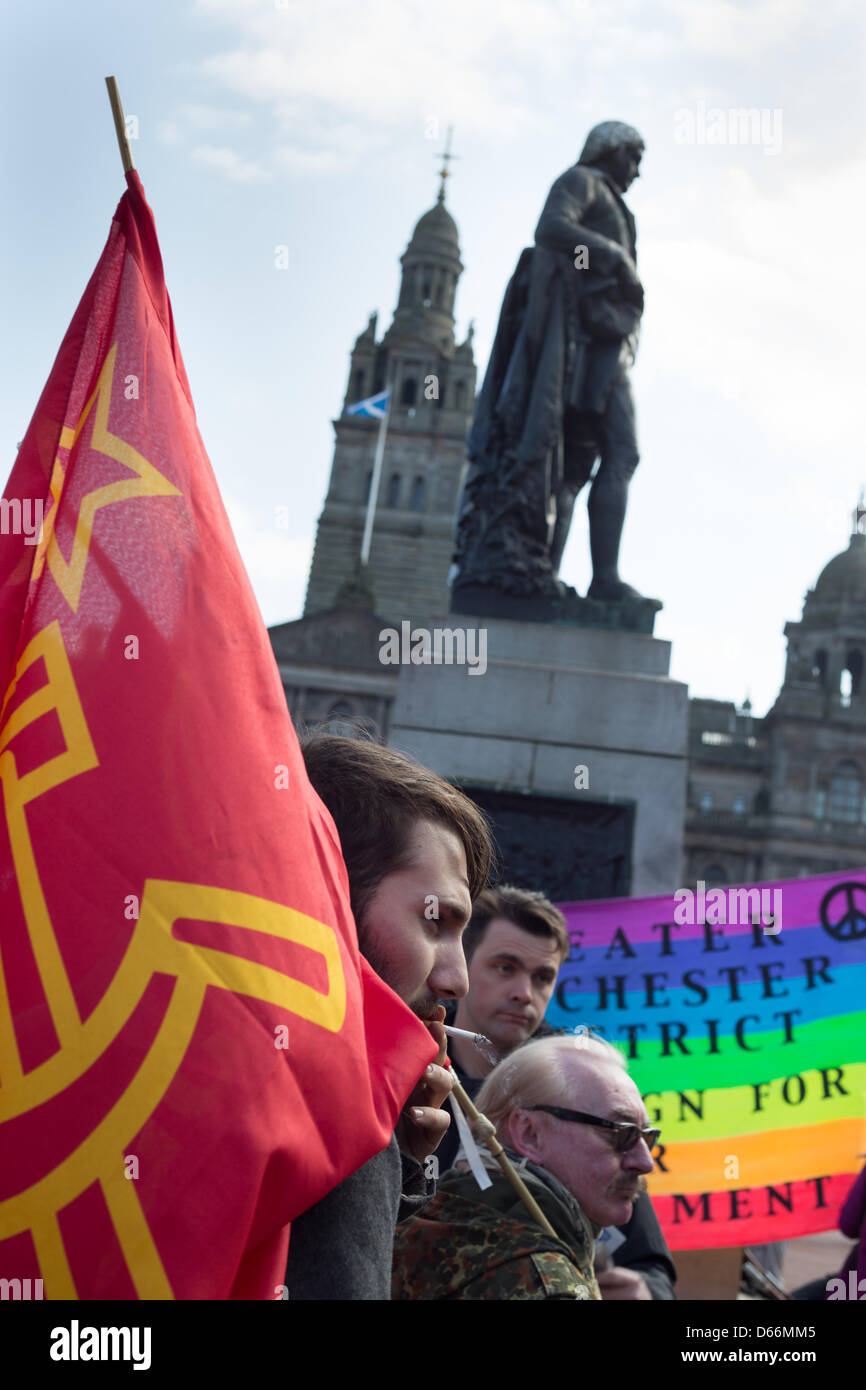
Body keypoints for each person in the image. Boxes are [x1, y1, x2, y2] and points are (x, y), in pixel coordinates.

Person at [284, 733, 493, 1299]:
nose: (458, 980)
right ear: (333, 896)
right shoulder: (337, 1101)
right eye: (435, 922)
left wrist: (400, 1163)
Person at [437, 884, 676, 1299]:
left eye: (543, 977)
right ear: (463, 963)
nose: (524, 993)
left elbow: (649, 1262)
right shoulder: (411, 1073)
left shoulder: (583, 1091)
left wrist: (645, 1292)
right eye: (505, 968)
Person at [451, 120, 647, 616]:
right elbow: (552, 231)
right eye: (634, 157)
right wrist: (613, 256)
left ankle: (570, 576)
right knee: (615, 455)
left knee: (576, 466)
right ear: (610, 150)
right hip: (583, 344)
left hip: (601, 344)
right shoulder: (583, 182)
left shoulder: (612, 198)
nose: (638, 171)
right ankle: (585, 576)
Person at [392, 1031, 656, 1299]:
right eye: (620, 1132)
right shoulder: (546, 1283)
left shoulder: (418, 1227)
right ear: (529, 1134)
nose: (645, 1162)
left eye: (648, 1136)